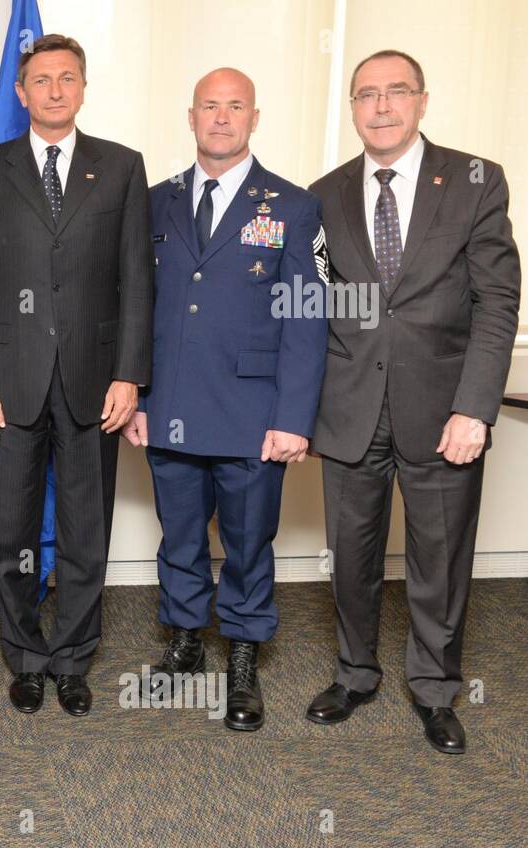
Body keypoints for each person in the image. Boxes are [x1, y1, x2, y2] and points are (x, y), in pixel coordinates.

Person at [304, 50, 520, 753]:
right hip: (349, 408)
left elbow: (497, 303)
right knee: (352, 556)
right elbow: (312, 309)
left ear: (422, 101)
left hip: (443, 409)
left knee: (440, 558)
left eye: (396, 91)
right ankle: (354, 674)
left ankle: (434, 690)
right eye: (366, 94)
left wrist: (475, 407)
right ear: (353, 108)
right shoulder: (323, 194)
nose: (382, 106)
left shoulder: (475, 180)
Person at [0, 34, 153, 715]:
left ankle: (72, 658)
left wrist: (129, 375)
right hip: (7, 385)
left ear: (83, 87)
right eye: (42, 80)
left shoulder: (121, 167)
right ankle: (25, 656)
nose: (55, 90)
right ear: (22, 92)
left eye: (68, 78)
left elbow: (136, 280)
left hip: (96, 383)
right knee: (11, 530)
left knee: (84, 530)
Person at [122, 69, 327, 730]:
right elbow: (135, 307)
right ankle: (185, 644)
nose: (220, 117)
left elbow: (307, 316)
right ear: (191, 116)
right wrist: (137, 397)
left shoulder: (293, 206)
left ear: (253, 118)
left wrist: (293, 418)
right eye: (209, 106)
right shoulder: (154, 202)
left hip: (253, 413)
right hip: (171, 405)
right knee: (180, 536)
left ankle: (241, 657)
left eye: (234, 106)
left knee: (247, 541)